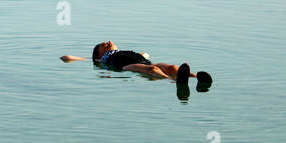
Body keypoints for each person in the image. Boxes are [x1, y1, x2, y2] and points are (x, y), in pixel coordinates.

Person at [61, 41, 212, 90]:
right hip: (124, 66)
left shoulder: (125, 50)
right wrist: (70, 57)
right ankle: (173, 81)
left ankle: (195, 77)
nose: (108, 42)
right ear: (99, 54)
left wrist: (143, 55)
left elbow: (145, 54)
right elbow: (68, 57)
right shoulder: (101, 60)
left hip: (141, 60)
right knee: (152, 70)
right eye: (103, 45)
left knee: (172, 67)